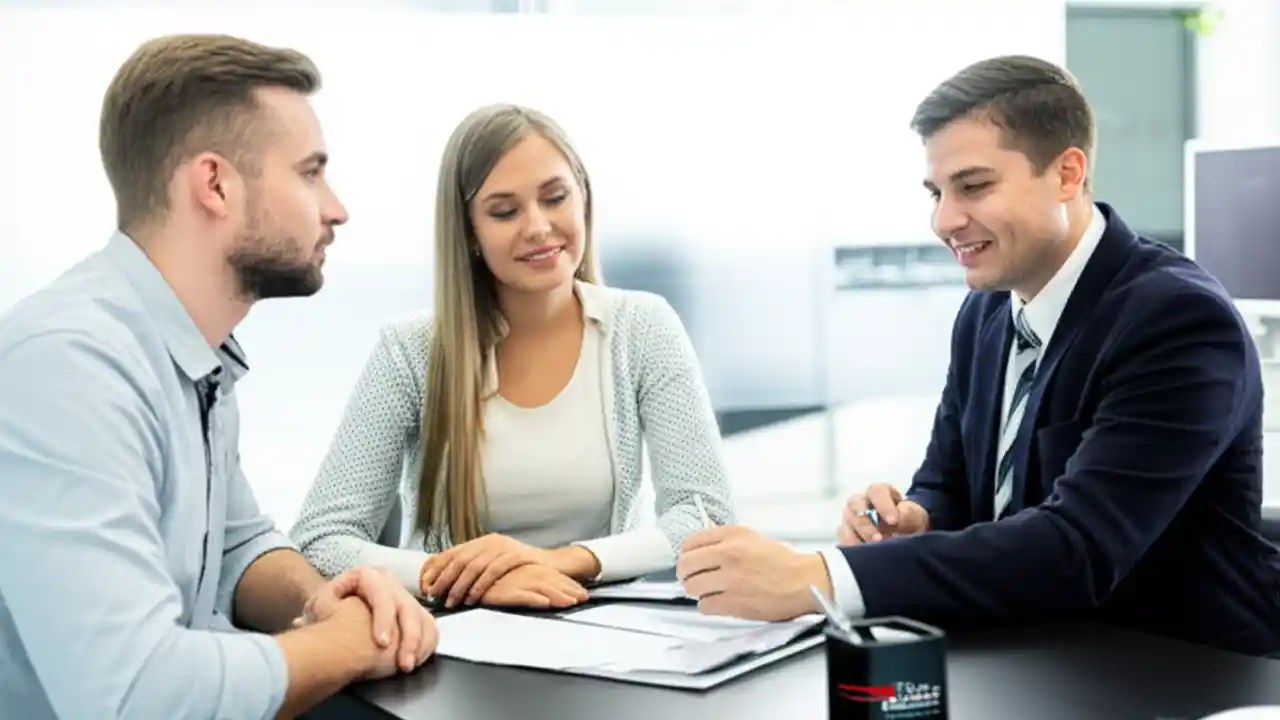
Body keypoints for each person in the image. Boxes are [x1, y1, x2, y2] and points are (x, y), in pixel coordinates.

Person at [675, 54, 1280, 657]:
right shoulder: (988, 310)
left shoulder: (1176, 319)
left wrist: (820, 577)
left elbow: (1079, 549)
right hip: (1030, 653)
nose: (943, 219)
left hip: (1177, 667)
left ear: (1068, 174)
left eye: (973, 186)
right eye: (936, 191)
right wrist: (915, 520)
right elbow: (949, 485)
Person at [0, 34, 437, 719]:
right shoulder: (68, 366)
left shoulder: (189, 354)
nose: (336, 208)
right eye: (309, 172)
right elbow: (137, 693)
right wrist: (351, 643)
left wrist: (324, 598)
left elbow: (235, 545)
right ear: (214, 184)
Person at [290, 103, 734, 611]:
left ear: (583, 198)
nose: (539, 227)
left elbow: (706, 517)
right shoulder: (411, 351)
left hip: (609, 632)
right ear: (470, 233)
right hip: (458, 634)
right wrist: (474, 578)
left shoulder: (642, 327)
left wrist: (561, 561)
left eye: (555, 197)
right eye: (504, 211)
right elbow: (320, 541)